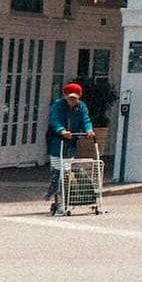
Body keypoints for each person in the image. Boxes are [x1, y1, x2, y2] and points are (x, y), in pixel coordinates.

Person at [46, 83, 94, 214]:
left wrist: (88, 130)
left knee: (66, 171)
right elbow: (54, 120)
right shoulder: (58, 105)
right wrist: (61, 130)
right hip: (57, 140)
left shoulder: (81, 107)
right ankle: (58, 200)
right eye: (70, 98)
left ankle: (65, 198)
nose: (72, 101)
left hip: (71, 140)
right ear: (65, 96)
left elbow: (86, 119)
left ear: (79, 97)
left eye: (75, 98)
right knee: (58, 171)